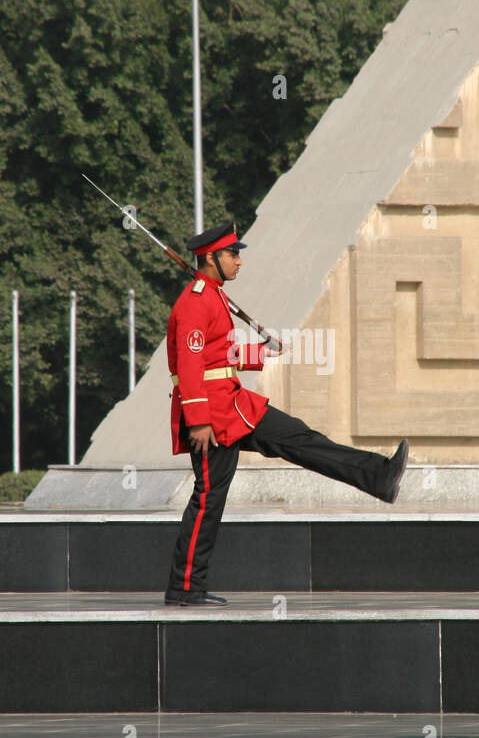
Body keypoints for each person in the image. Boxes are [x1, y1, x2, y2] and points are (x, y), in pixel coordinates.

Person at [165, 220, 409, 605]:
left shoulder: (211, 296)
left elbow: (219, 357)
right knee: (209, 497)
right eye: (233, 254)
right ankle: (184, 587)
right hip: (211, 418)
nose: (239, 261)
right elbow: (191, 366)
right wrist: (197, 421)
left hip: (234, 407)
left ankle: (378, 476)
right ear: (210, 258)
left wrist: (260, 352)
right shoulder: (195, 302)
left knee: (300, 439)